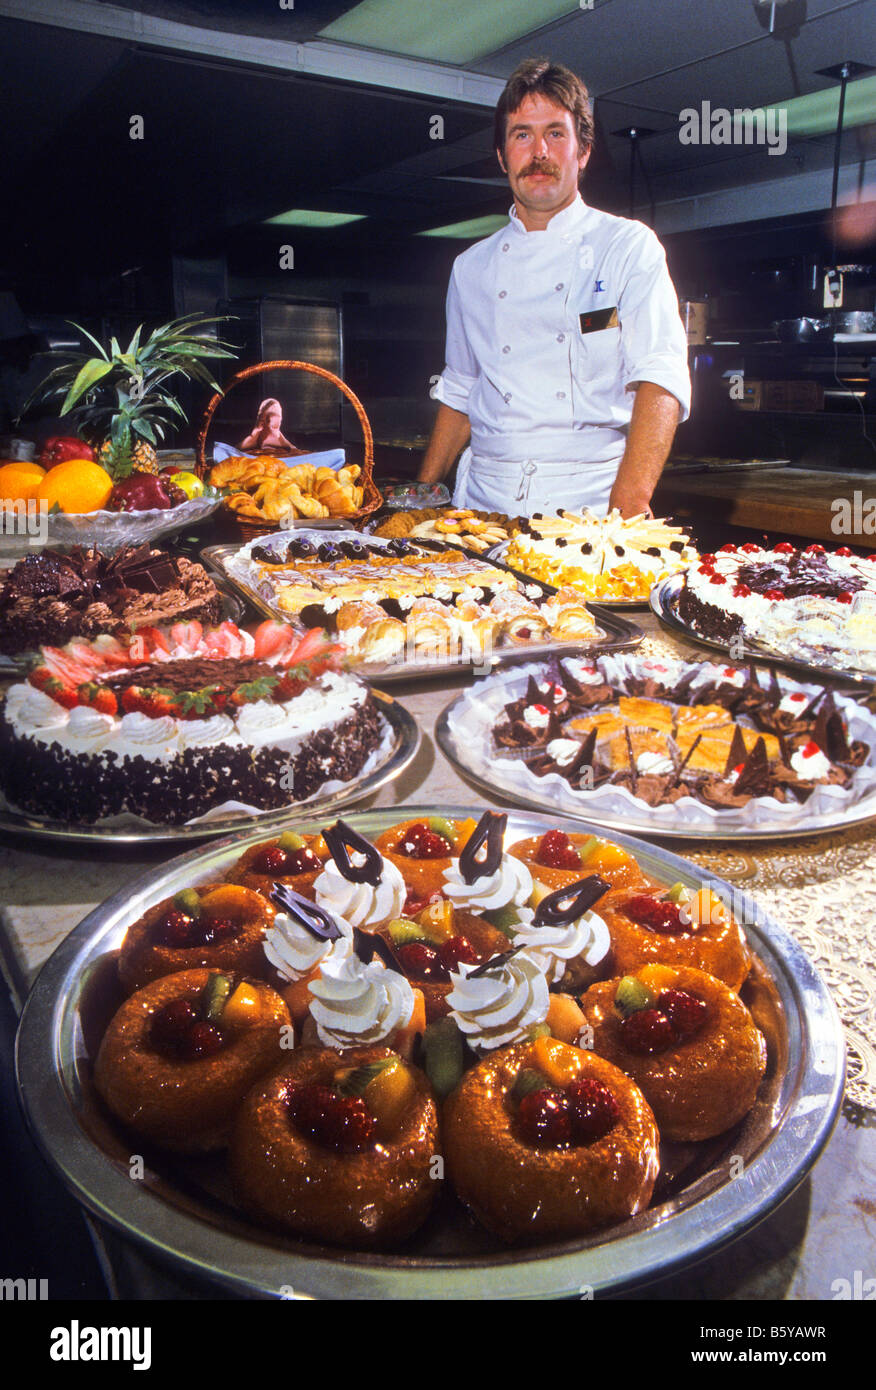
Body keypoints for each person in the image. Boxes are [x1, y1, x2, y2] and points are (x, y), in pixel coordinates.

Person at [419, 58, 690, 518]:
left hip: (588, 503)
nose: (539, 151)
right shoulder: (470, 268)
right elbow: (461, 387)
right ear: (503, 157)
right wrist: (420, 497)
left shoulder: (628, 247)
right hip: (481, 502)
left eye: (556, 133)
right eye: (522, 134)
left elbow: (660, 378)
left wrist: (626, 511)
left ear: (583, 152)